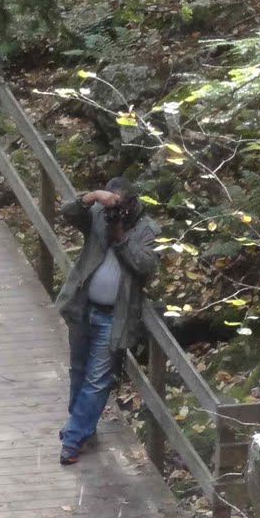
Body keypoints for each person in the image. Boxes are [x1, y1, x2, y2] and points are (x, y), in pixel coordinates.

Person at [54, 176, 160, 466]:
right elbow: (68, 213)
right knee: (78, 370)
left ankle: (73, 438)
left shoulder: (148, 229)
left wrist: (121, 238)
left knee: (98, 380)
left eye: (121, 205)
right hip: (83, 306)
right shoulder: (99, 214)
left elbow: (146, 266)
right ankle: (81, 427)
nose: (117, 211)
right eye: (113, 204)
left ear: (133, 202)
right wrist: (92, 197)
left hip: (115, 315)